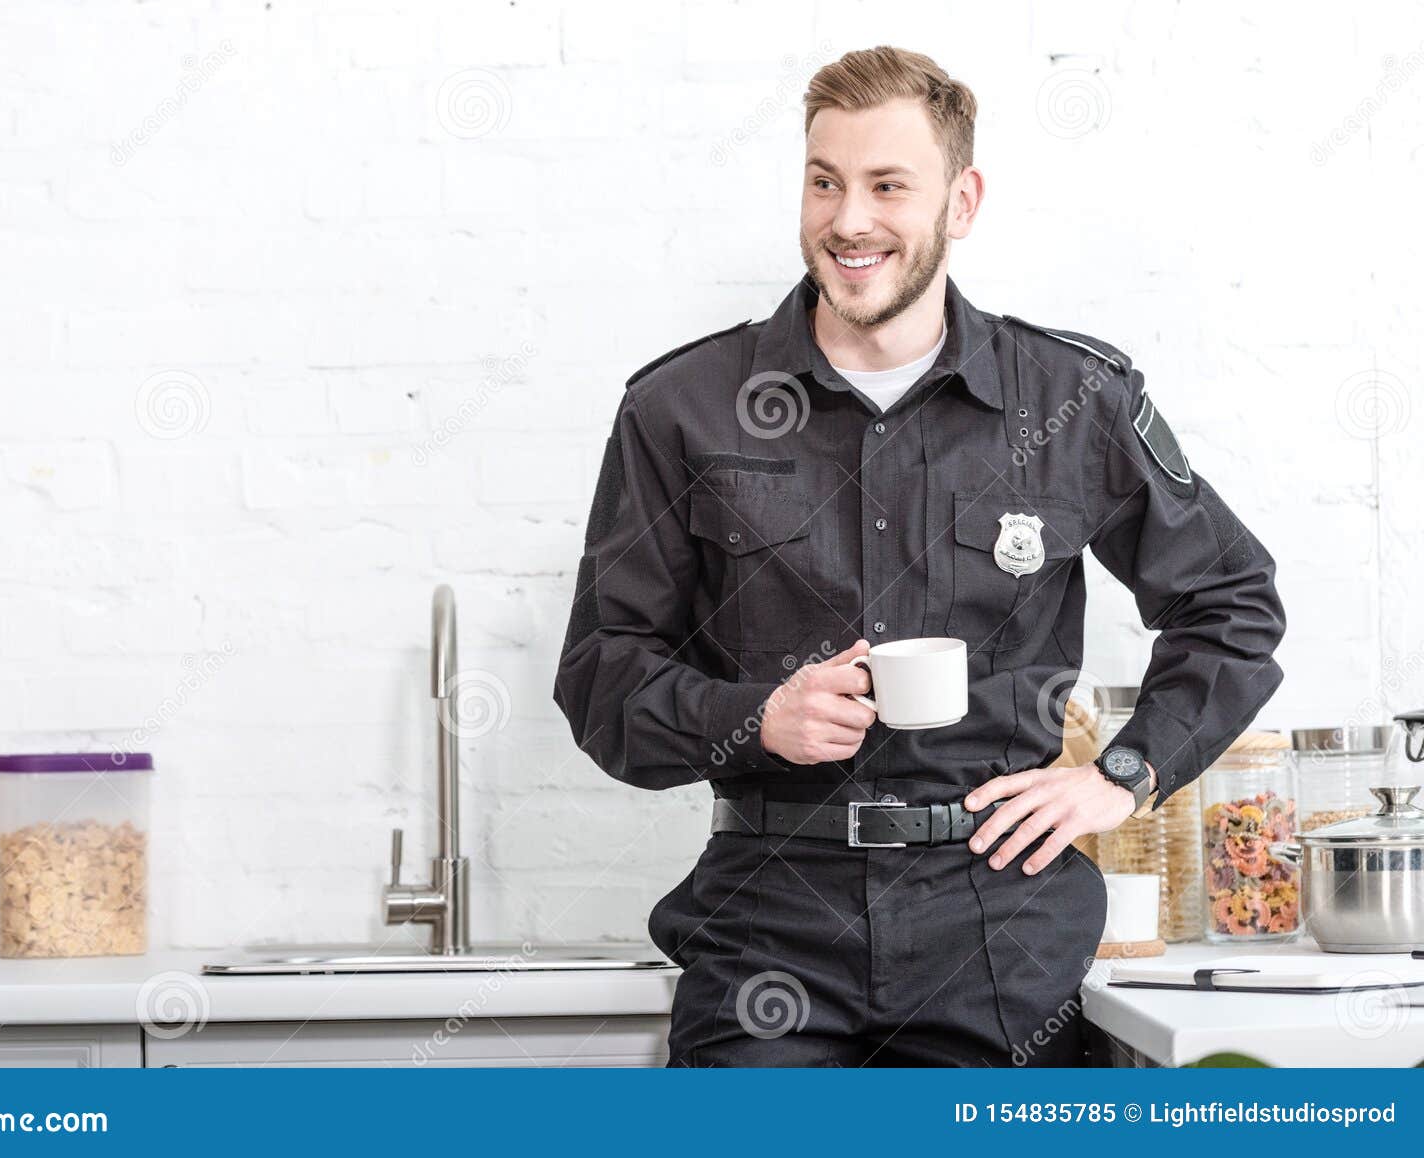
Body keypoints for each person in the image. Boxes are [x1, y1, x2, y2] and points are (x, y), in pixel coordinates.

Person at [551, 45, 1286, 1067]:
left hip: (999, 936)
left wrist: (1122, 773)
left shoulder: (1073, 401)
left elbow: (1230, 602)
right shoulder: (680, 409)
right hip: (769, 925)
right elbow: (600, 681)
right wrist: (753, 719)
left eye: (887, 185)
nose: (848, 221)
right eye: (823, 182)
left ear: (962, 199)